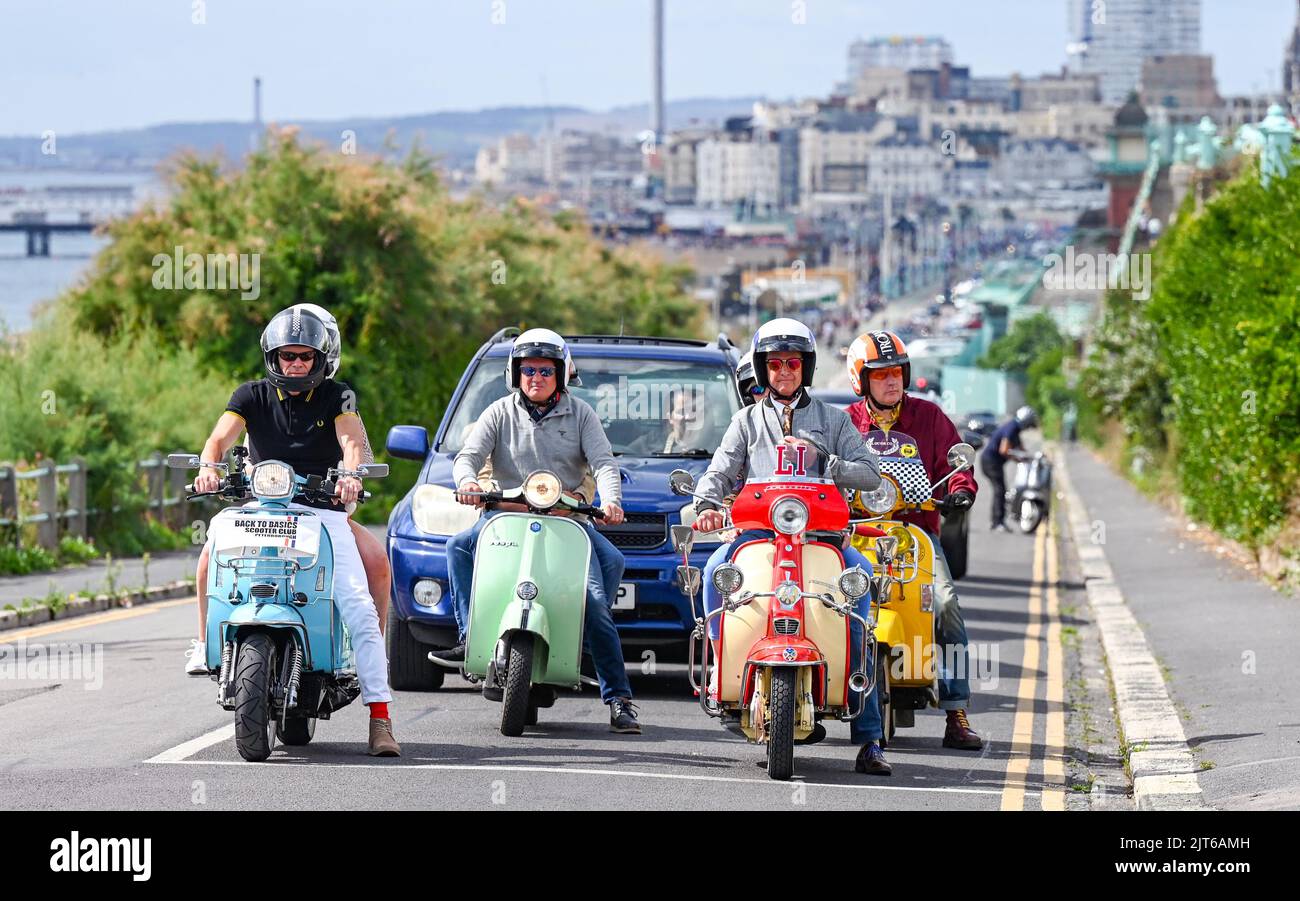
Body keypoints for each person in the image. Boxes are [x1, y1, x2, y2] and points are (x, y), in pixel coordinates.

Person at [186, 306, 399, 756]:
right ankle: (204, 643)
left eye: (305, 357)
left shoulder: (338, 397)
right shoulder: (249, 395)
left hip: (322, 512)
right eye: (288, 357)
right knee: (208, 557)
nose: (296, 365)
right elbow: (219, 439)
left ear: (321, 360)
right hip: (261, 507)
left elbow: (351, 443)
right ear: (274, 358)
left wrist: (351, 474)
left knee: (359, 604)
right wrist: (209, 466)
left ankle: (380, 718)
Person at [692, 318, 892, 775]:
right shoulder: (744, 422)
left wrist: (828, 461)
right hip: (757, 537)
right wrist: (705, 503)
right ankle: (725, 669)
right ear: (764, 369)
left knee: (860, 601)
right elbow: (719, 473)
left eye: (793, 363)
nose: (785, 372)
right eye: (776, 364)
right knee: (712, 575)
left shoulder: (833, 420)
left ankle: (869, 740)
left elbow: (871, 473)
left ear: (807, 368)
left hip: (823, 541)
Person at [438, 329, 641, 734]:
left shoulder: (582, 414)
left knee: (599, 594)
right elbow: (468, 456)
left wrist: (612, 500)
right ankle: (468, 635)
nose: (536, 377)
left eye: (545, 370)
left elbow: (603, 463)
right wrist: (469, 483)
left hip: (568, 521)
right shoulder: (498, 412)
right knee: (458, 548)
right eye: (528, 369)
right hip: (504, 517)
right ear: (516, 373)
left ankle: (618, 698)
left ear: (562, 375)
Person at [844, 330, 984, 752]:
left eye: (897, 373)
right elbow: (820, 467)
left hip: (915, 533)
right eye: (881, 374)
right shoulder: (845, 421)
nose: (892, 382)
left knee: (945, 606)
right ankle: (797, 697)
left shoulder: (930, 417)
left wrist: (961, 490)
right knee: (816, 599)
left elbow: (956, 462)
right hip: (854, 531)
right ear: (860, 379)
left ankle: (956, 710)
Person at [981, 405, 1038, 532]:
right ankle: (997, 522)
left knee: (1000, 490)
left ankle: (997, 521)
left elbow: (1021, 447)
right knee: (1000, 490)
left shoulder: (1015, 428)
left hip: (993, 462)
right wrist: (1018, 459)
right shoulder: (1012, 427)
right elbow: (1004, 449)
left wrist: (1028, 457)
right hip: (990, 462)